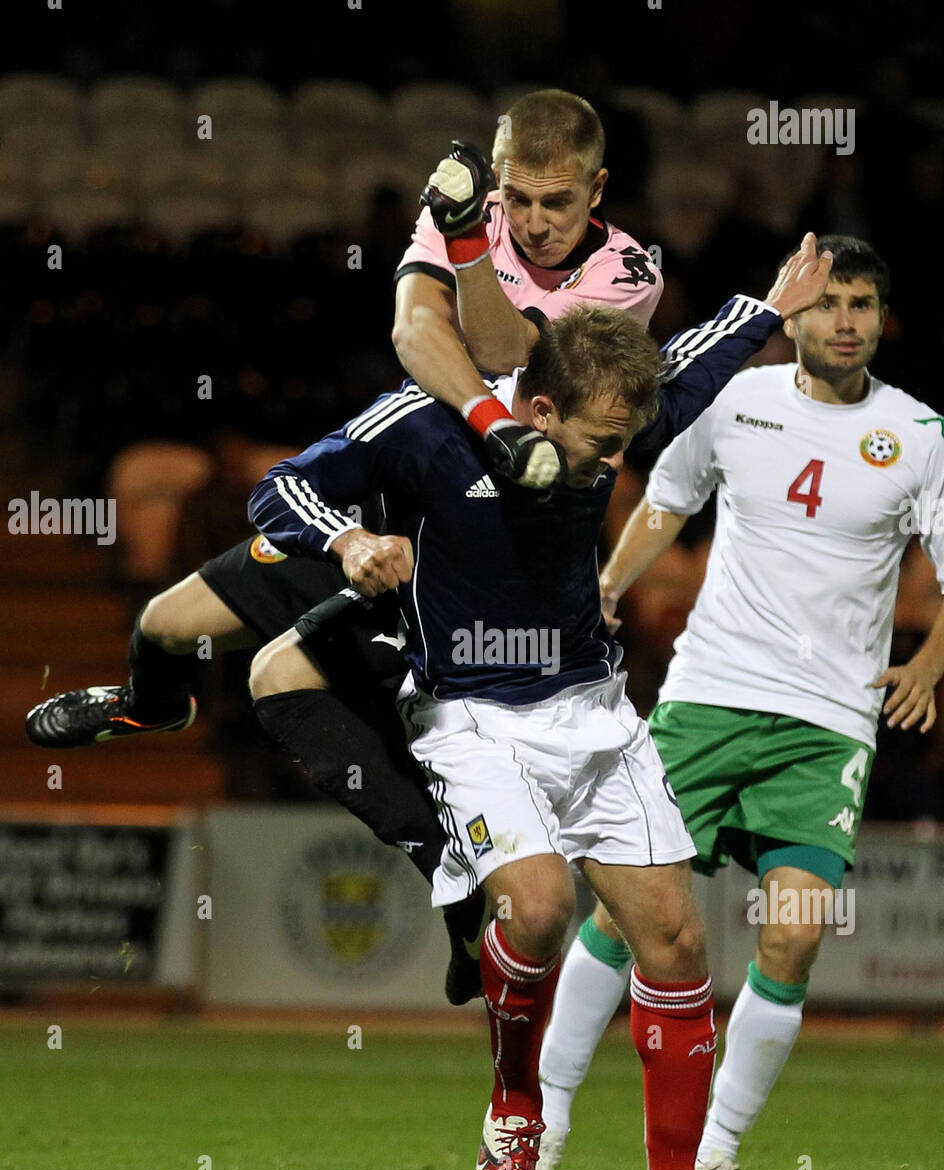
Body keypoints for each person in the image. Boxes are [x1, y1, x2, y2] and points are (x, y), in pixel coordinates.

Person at [23, 91, 662, 1001]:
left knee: (310, 681)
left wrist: (467, 254)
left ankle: (457, 875)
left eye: (555, 203)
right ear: (496, 174)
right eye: (514, 198)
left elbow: (500, 344)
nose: (532, 222)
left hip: (471, 549)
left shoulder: (626, 274)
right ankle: (153, 706)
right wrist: (484, 399)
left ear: (597, 190)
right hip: (386, 491)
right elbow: (414, 335)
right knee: (166, 623)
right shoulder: (458, 205)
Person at [249, 305, 760, 1170]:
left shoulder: (601, 419)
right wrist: (349, 544)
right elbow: (279, 490)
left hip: (595, 710)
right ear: (537, 407)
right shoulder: (424, 427)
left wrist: (768, 304)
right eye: (599, 444)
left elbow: (691, 367)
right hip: (472, 717)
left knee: (680, 939)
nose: (611, 460)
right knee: (537, 907)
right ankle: (515, 1108)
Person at [534, 237, 944, 1170]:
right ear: (795, 315)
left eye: (862, 305)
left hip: (826, 723)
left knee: (791, 936)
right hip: (705, 698)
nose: (843, 321)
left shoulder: (924, 435)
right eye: (828, 303)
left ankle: (713, 1157)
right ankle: (543, 1120)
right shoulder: (732, 401)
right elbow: (667, 498)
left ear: (883, 320)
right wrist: (610, 583)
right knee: (623, 916)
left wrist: (925, 665)